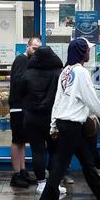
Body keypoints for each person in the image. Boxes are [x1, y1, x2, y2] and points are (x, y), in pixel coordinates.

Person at [36, 38, 100, 200]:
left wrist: (54, 125)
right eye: (87, 50)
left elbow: (57, 101)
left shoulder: (65, 71)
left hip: (67, 124)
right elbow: (92, 100)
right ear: (81, 52)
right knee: (61, 166)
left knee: (87, 164)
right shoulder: (81, 73)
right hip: (72, 125)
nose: (89, 53)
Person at [13, 43, 63, 190]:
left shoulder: (27, 74)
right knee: (54, 150)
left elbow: (19, 94)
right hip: (52, 118)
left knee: (37, 151)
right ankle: (53, 183)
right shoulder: (58, 74)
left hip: (32, 118)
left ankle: (41, 183)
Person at [6, 37, 42, 187]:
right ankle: (16, 175)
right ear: (27, 46)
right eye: (33, 48)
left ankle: (22, 171)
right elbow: (19, 81)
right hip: (18, 105)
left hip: (24, 106)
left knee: (21, 141)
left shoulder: (29, 61)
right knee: (17, 140)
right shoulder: (21, 59)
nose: (35, 51)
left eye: (38, 49)